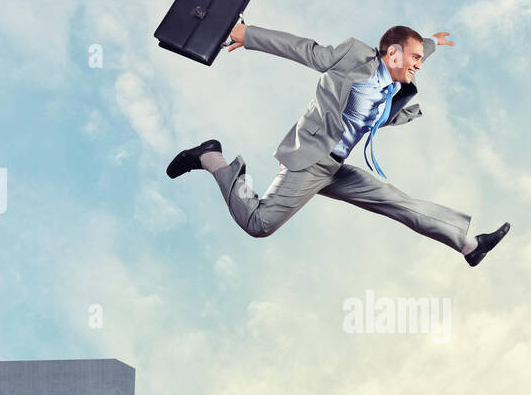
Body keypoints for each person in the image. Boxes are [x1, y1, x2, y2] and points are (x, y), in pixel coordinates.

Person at [166, 21, 510, 266]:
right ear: (392, 53)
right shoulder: (353, 58)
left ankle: (470, 245)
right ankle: (211, 157)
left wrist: (430, 42)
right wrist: (248, 34)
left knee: (397, 202)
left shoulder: (395, 80)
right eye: (415, 58)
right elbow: (303, 49)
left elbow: (414, 53)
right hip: (311, 159)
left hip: (335, 166)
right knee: (259, 225)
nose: (419, 65)